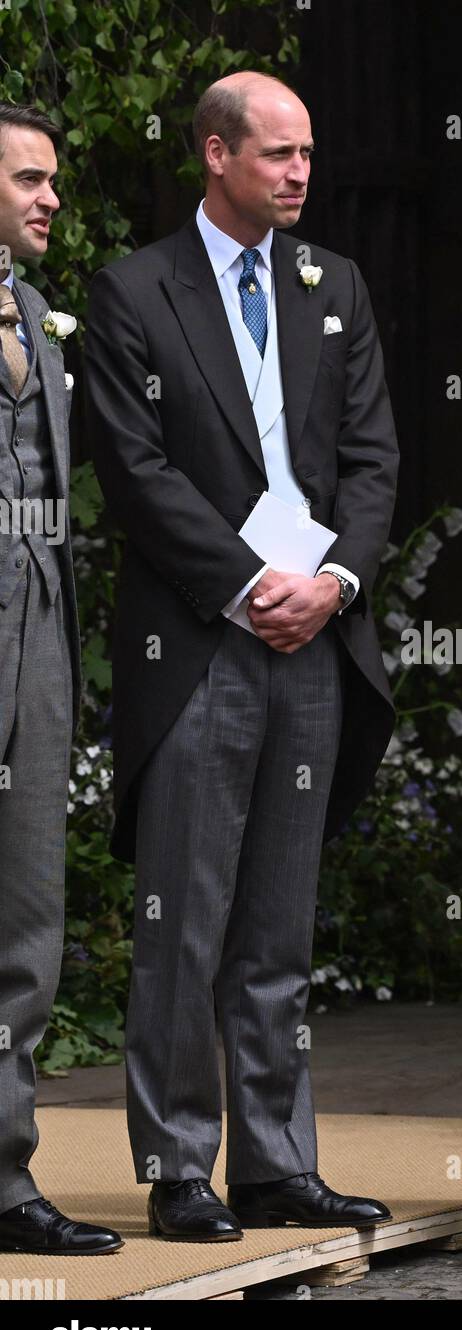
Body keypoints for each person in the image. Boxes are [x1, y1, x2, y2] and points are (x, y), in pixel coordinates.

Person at [83, 73, 399, 1241]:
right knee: (185, 919)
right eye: (277, 153)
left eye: (307, 152)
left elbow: (371, 457)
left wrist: (332, 584)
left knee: (278, 920)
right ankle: (177, 1166)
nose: (300, 172)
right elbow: (133, 472)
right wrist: (243, 581)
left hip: (314, 635)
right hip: (200, 642)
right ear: (215, 156)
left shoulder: (337, 286)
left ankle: (275, 1164)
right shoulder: (131, 294)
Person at [0, 103, 122, 1254]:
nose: (49, 199)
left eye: (52, 180)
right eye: (29, 178)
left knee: (28, 922)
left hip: (36, 645)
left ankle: (4, 1179)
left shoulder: (37, 317)